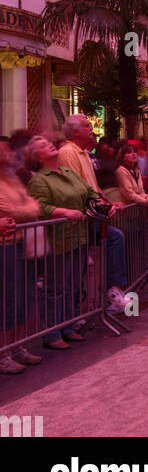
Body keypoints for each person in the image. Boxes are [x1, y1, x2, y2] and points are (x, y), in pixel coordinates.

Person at [26, 134, 127, 342]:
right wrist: (62, 211)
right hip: (58, 238)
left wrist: (106, 206)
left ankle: (69, 325)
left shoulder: (68, 172)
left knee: (72, 284)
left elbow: (89, 193)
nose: (51, 145)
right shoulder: (40, 180)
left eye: (49, 142)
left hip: (78, 235)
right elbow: (40, 206)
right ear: (37, 157)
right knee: (56, 287)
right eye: (43, 146)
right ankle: (52, 333)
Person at [0, 141, 43, 374]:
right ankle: (3, 352)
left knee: (23, 297)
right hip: (3, 246)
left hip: (20, 243)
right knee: (7, 299)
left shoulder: (13, 179)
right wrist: (22, 209)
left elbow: (32, 207)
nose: (9, 153)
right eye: (4, 149)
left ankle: (17, 346)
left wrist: (22, 209)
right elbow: (14, 210)